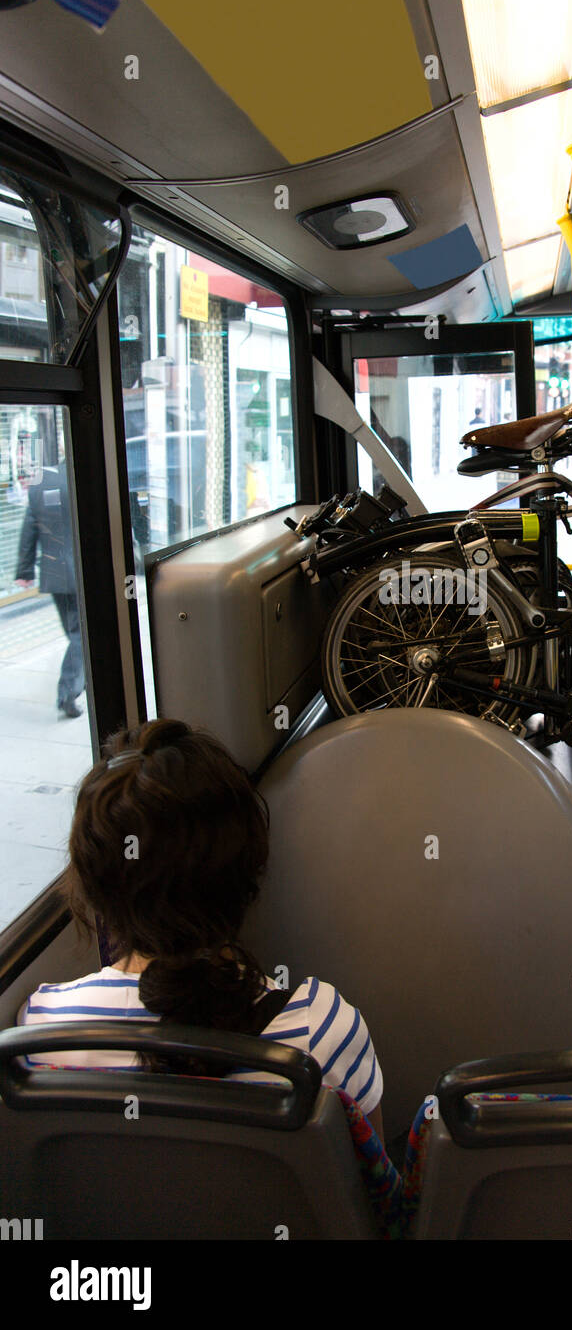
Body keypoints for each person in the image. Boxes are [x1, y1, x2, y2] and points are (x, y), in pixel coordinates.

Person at [17, 718, 385, 1140]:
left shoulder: (42, 1032)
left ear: (92, 884)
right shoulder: (323, 1032)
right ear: (250, 871)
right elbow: (367, 1190)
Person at [14, 457, 85, 718]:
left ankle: (79, 679)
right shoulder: (85, 480)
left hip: (55, 574)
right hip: (85, 572)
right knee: (81, 635)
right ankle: (69, 690)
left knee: (74, 631)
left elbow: (28, 530)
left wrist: (24, 571)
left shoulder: (40, 484)